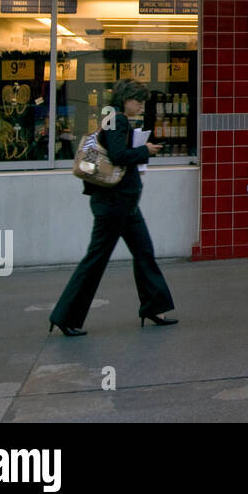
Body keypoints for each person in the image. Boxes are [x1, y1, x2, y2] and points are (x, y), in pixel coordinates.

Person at [49, 78, 177, 336]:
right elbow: (119, 156)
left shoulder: (112, 118)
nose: (142, 105)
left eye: (143, 101)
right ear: (125, 100)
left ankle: (153, 307)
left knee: (144, 253)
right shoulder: (118, 120)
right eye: (138, 100)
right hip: (115, 203)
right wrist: (145, 150)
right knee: (96, 259)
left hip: (122, 203)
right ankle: (66, 316)